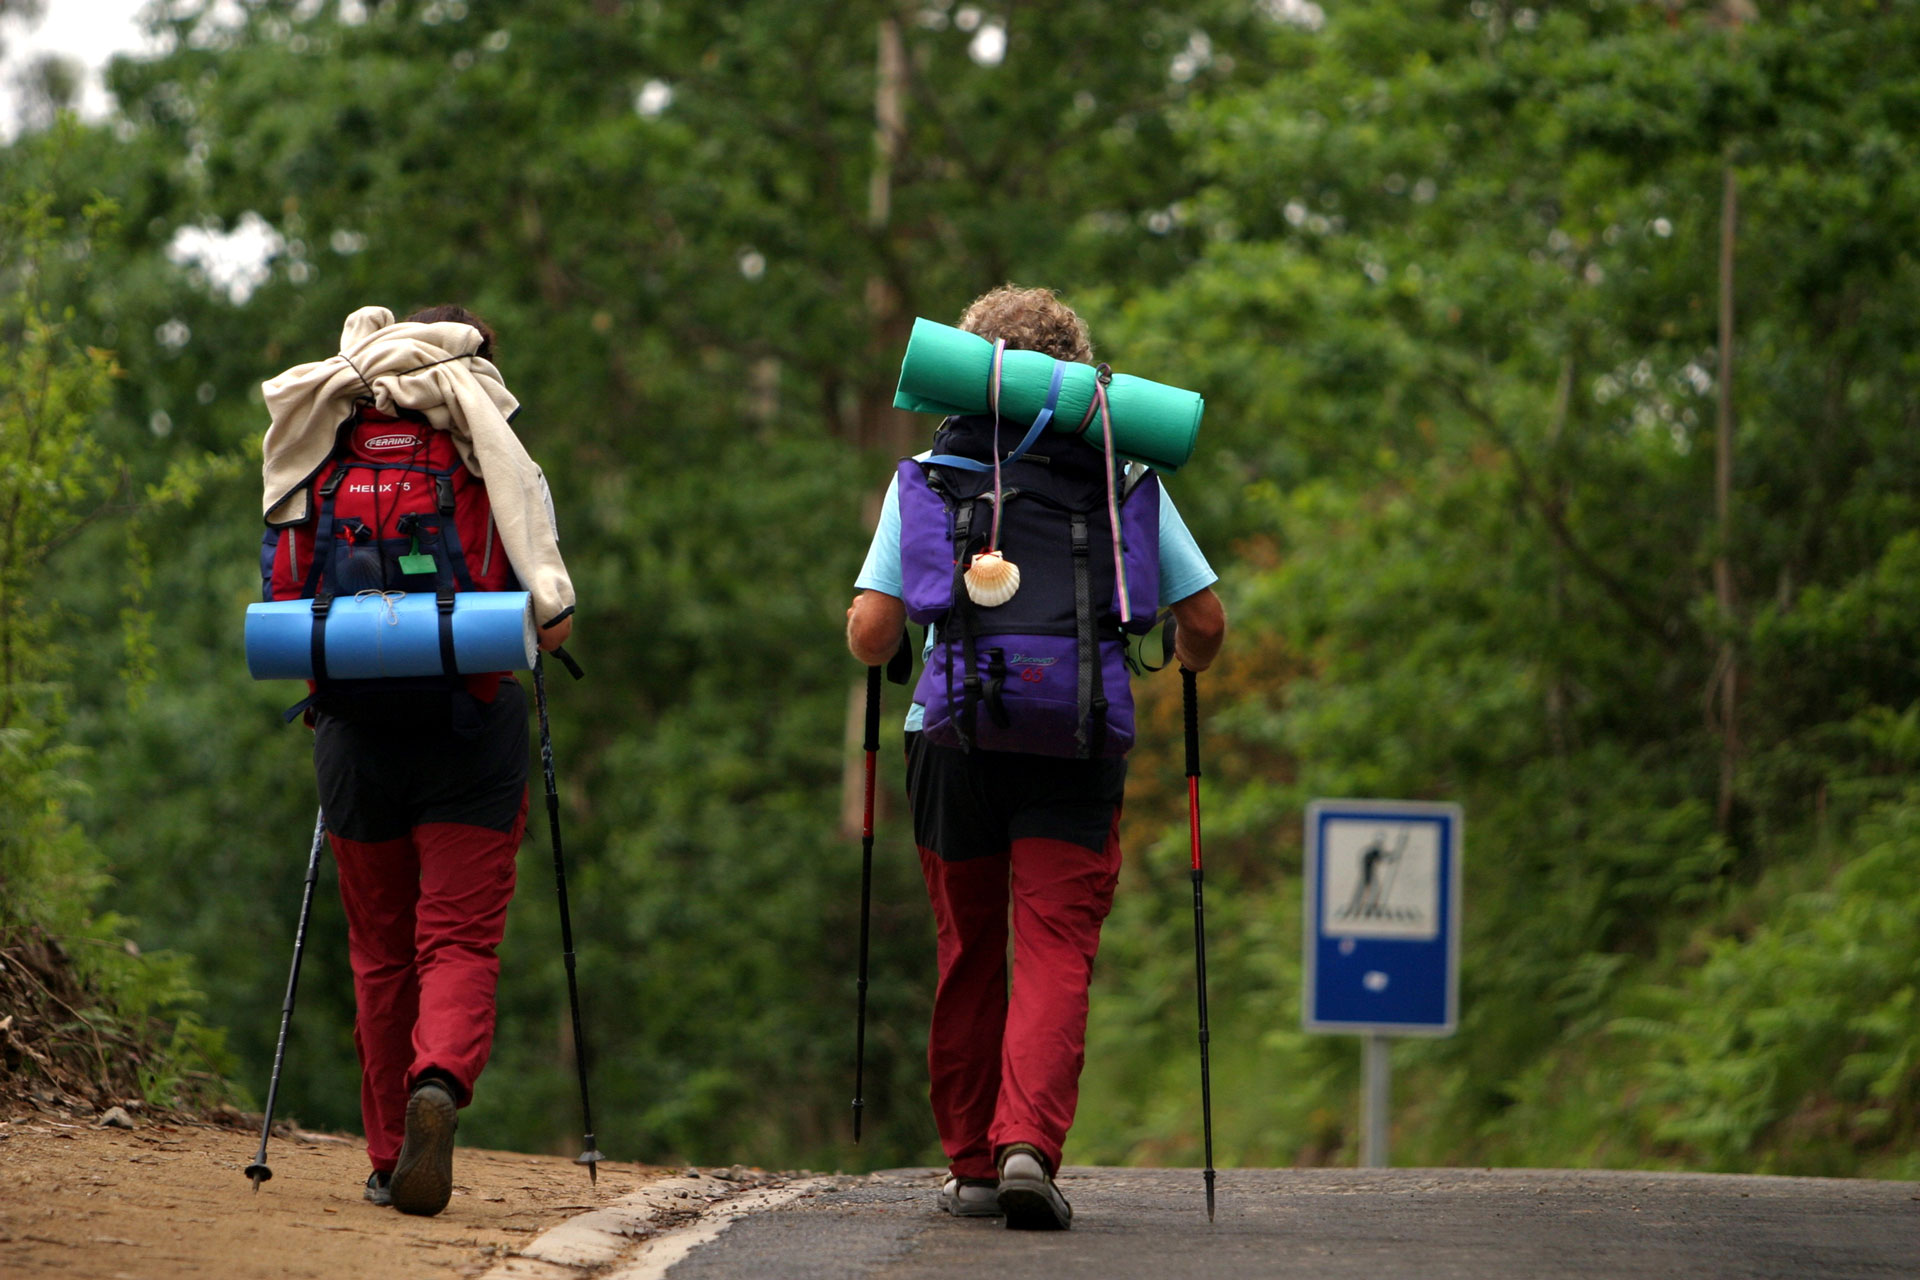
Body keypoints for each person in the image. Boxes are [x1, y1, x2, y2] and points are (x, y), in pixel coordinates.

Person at [846, 285, 1226, 1230]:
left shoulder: (931, 475)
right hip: (1080, 738)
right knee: (1055, 946)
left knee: (970, 949)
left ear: (970, 374)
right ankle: (1029, 1145)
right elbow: (1207, 622)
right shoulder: (1121, 476)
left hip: (954, 740)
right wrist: (1180, 657)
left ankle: (973, 1163)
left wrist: (893, 642)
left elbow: (871, 631)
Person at [259, 304, 575, 1216]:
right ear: (476, 373)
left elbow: (285, 596)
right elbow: (551, 623)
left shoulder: (325, 436)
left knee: (380, 950)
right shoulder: (486, 456)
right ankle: (438, 1079)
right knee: (458, 938)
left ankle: (388, 1151)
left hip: (354, 738)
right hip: (470, 729)